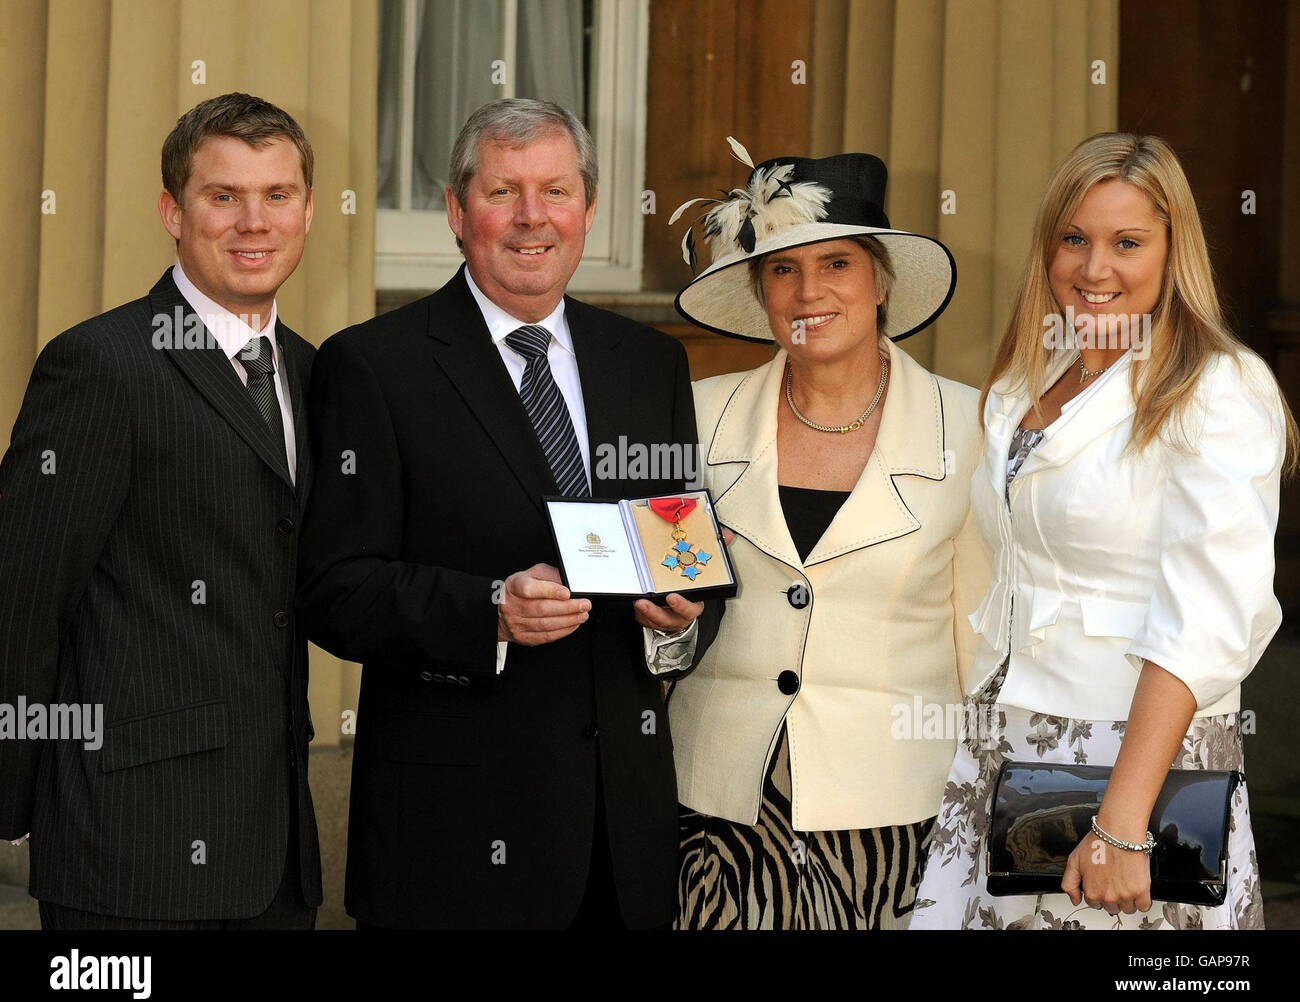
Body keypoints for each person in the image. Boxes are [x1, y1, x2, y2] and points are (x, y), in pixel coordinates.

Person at [296, 98, 721, 930]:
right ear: (458, 211)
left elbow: (682, 555)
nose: (533, 218)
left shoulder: (650, 363)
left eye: (556, 191)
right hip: (451, 846)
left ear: (589, 211)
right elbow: (333, 587)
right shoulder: (374, 365)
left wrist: (676, 623)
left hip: (620, 842)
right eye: (503, 192)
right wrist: (489, 611)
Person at [911, 132, 1297, 930]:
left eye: (1128, 243)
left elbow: (1208, 621)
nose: (1094, 269)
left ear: (1173, 249)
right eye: (1074, 239)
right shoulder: (1028, 378)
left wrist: (1122, 823)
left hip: (1133, 764)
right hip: (1006, 743)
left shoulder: (1215, 390)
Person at [0, 93, 322, 929]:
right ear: (173, 212)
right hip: (129, 853)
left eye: (277, 195)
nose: (255, 223)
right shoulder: (100, 366)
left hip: (275, 855)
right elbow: (21, 600)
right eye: (224, 197)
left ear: (308, 209)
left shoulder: (314, 374)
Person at [668, 145, 989, 928]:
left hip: (893, 822)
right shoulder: (694, 416)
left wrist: (987, 814)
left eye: (837, 264)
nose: (809, 291)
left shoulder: (971, 425)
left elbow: (983, 649)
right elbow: (667, 616)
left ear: (880, 282)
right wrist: (663, 626)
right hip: (716, 819)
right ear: (760, 289)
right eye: (782, 270)